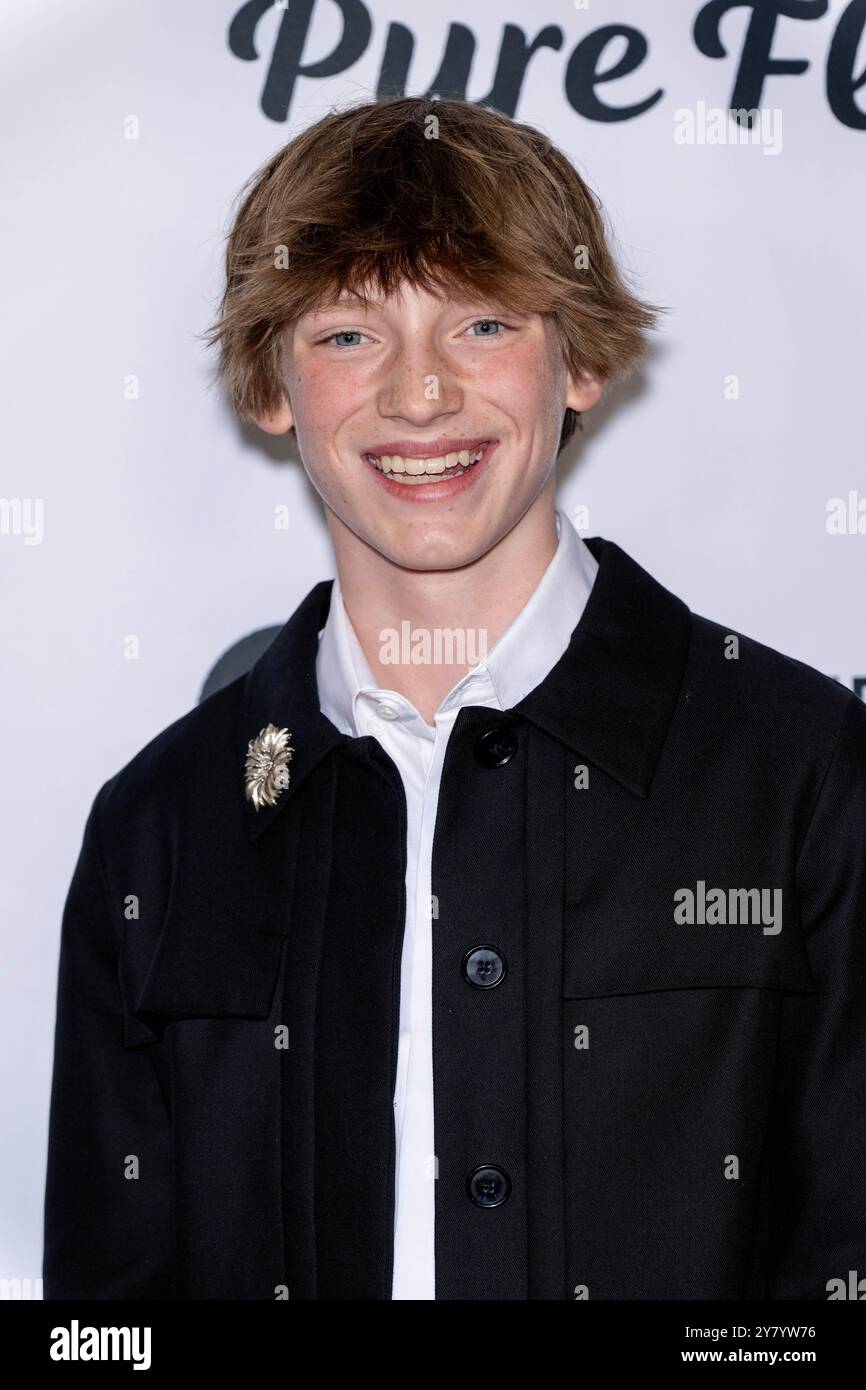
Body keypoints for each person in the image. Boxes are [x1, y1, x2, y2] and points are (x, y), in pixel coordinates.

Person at [43, 95, 866, 1301]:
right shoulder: (160, 823)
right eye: (347, 337)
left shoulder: (803, 775)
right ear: (270, 388)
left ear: (577, 359)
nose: (420, 394)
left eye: (479, 324)